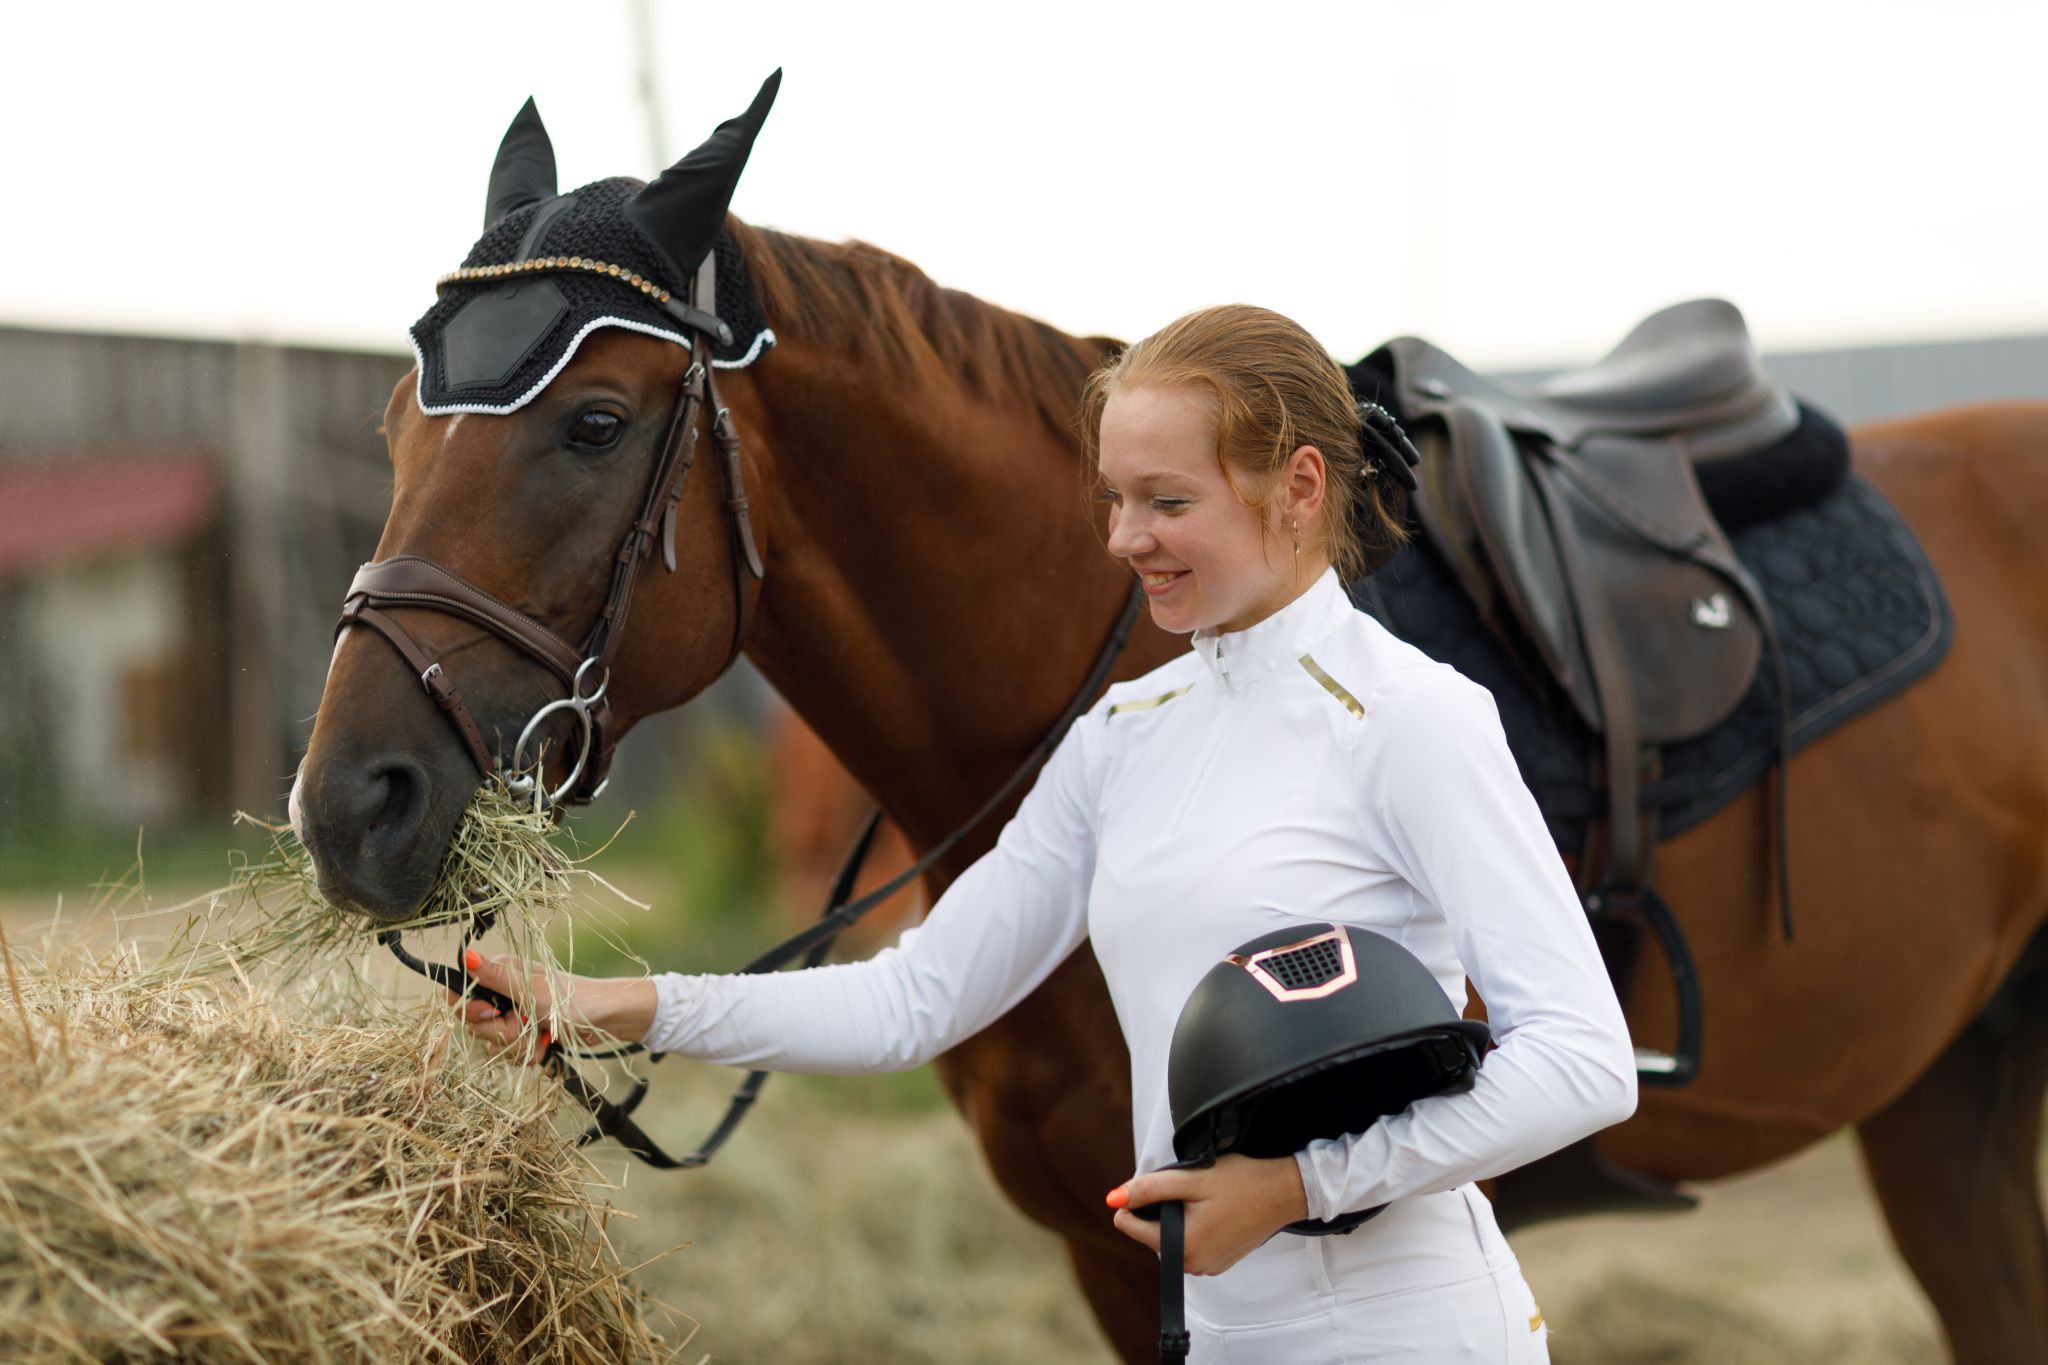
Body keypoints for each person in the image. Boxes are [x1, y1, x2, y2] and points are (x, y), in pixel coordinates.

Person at [453, 303, 1638, 1362]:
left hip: (1414, 1335)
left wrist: (1295, 1187)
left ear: (1300, 488)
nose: (1124, 540)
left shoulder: (1411, 718)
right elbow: (913, 999)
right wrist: (610, 1005)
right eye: (1115, 500)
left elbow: (1582, 1063)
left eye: (1168, 502)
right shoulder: (1124, 730)